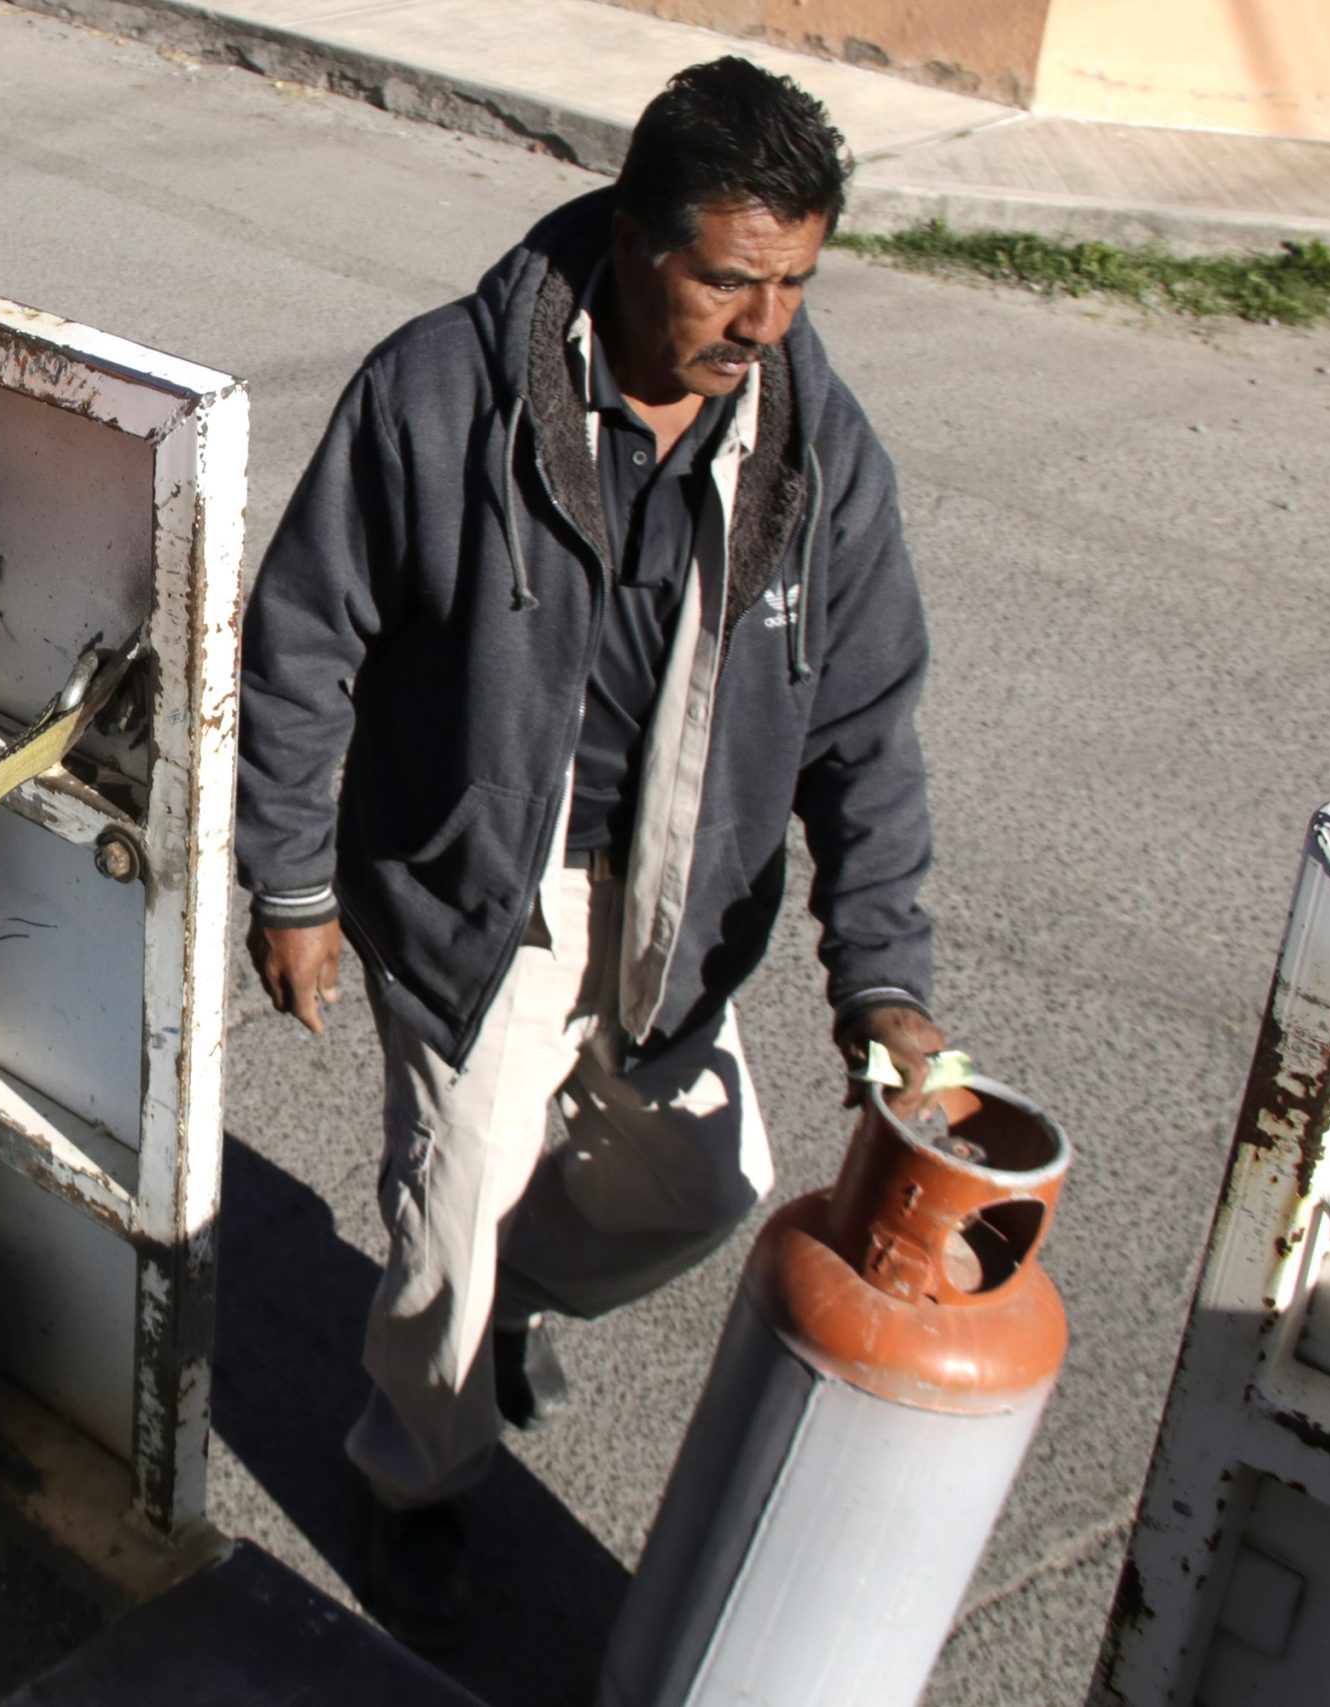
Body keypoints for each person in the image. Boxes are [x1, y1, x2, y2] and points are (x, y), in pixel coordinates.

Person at [233, 56, 950, 1646]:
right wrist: (289, 888)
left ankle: (504, 1309)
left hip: (678, 906)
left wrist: (880, 986)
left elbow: (866, 736)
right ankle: (412, 1477)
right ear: (635, 239)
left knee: (703, 1186)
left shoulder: (819, 458)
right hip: (478, 888)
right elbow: (301, 642)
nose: (768, 322)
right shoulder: (442, 393)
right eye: (732, 279)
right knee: (451, 1214)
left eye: (798, 283)